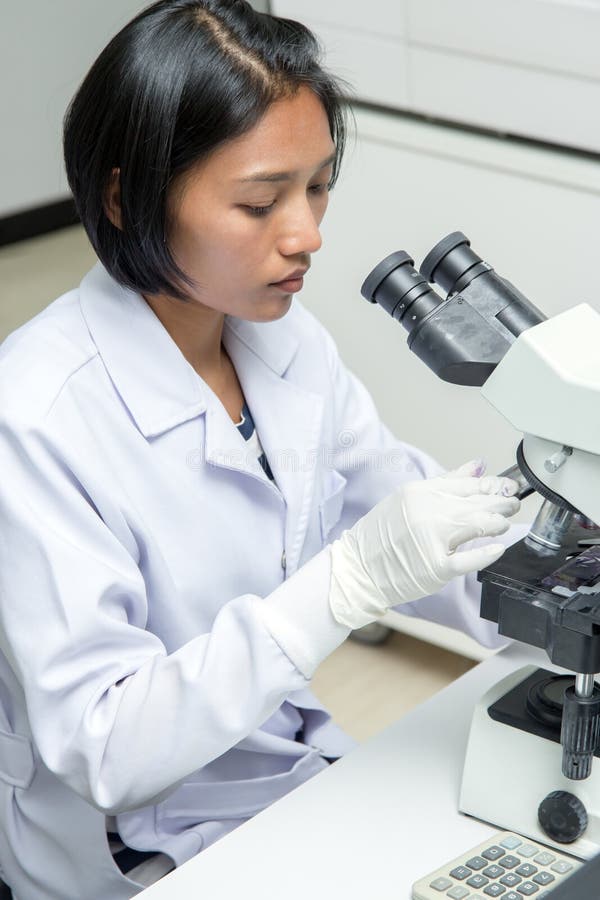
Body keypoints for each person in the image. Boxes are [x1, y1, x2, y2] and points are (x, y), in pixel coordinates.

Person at [0, 2, 521, 897]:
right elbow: (109, 747)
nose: (307, 234)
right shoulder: (34, 416)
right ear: (126, 198)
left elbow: (405, 512)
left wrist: (542, 569)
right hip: (138, 847)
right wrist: (343, 585)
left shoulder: (283, 340)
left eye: (318, 186)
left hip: (296, 772)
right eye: (259, 201)